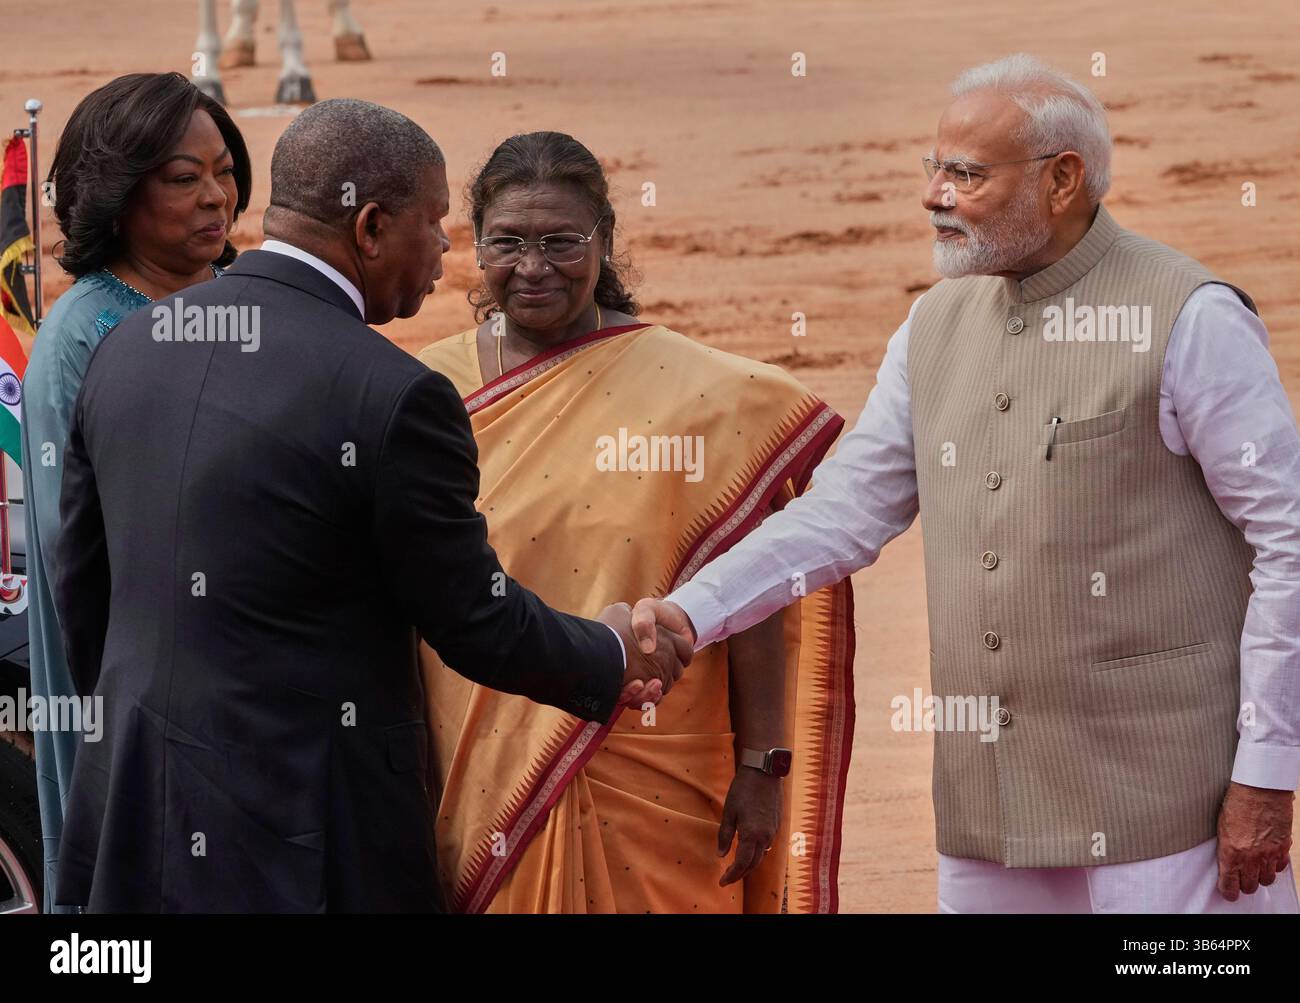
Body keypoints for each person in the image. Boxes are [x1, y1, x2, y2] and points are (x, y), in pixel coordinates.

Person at [633, 53, 1300, 914]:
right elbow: (844, 512)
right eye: (933, 168)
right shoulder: (931, 325)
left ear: (1063, 182)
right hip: (991, 796)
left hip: (1171, 799)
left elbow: (1289, 543)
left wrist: (1267, 771)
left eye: (966, 173)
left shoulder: (1192, 317)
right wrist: (692, 611)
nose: (933, 195)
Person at [51, 99, 689, 913]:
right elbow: (474, 619)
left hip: (135, 813)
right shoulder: (394, 394)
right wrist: (609, 653)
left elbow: (84, 597)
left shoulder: (128, 346)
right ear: (373, 227)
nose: (445, 247)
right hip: (305, 834)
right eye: (434, 222)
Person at [417, 131, 854, 914]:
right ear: (475, 248)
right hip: (474, 773)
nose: (534, 266)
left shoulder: (700, 397)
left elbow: (750, 588)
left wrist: (761, 765)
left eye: (561, 241)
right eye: (507, 243)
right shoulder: (425, 392)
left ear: (605, 240)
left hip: (657, 771)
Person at [21, 71, 251, 912]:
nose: (214, 197)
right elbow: (73, 542)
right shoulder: (83, 331)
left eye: (223, 172)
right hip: (132, 677)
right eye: (183, 179)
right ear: (119, 196)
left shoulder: (235, 301)